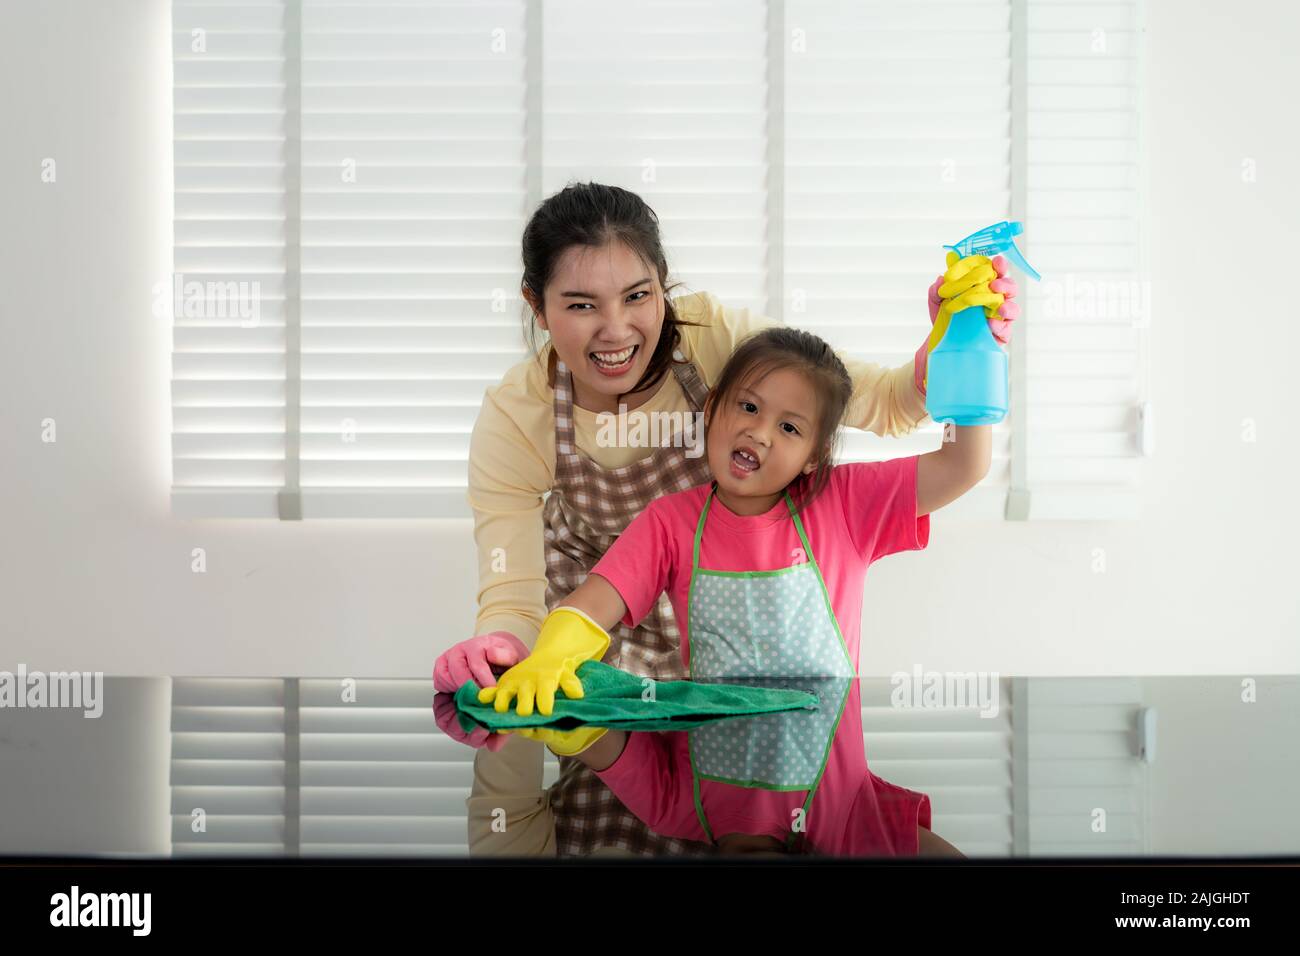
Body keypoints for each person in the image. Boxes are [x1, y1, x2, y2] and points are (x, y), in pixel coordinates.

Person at [432, 181, 1017, 857]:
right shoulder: (534, 427)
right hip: (608, 675)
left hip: (735, 685)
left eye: (639, 295)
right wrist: (515, 660)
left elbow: (879, 405)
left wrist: (953, 349)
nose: (618, 330)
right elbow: (519, 596)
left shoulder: (740, 371)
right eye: (580, 304)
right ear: (536, 305)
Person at [480, 326, 981, 857]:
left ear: (815, 455)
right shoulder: (670, 524)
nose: (760, 433)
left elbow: (961, 464)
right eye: (747, 406)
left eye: (790, 426)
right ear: (713, 409)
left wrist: (969, 347)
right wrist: (553, 663)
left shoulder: (841, 503)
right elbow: (591, 608)